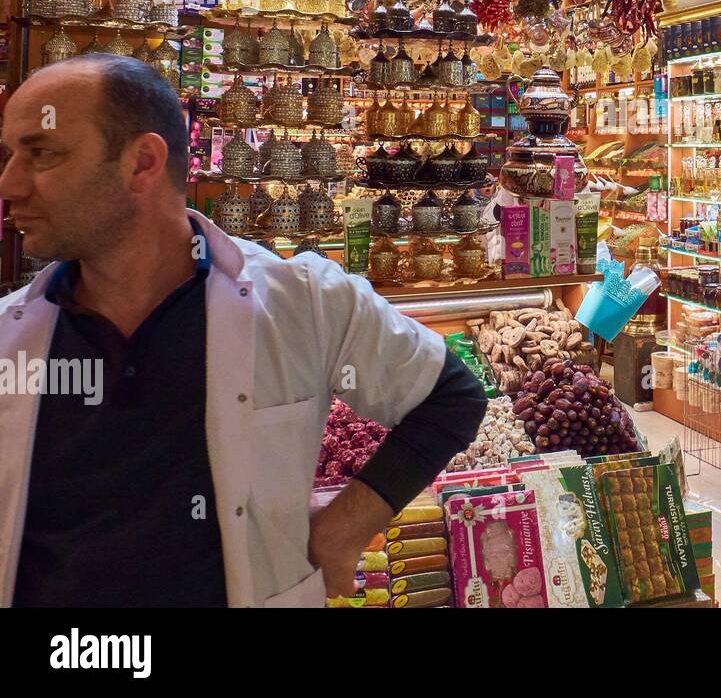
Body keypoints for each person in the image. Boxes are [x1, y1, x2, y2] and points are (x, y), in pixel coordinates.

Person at [0, 57, 487, 608]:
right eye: (10, 154)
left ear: (142, 162)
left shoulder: (302, 300)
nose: (10, 182)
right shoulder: (11, 340)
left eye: (42, 154)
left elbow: (450, 397)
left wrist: (344, 528)